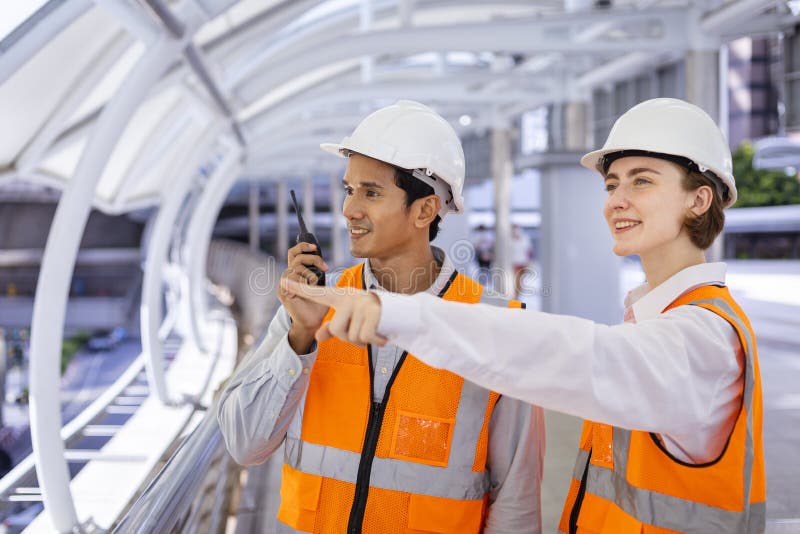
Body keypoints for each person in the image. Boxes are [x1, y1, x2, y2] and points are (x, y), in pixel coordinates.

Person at [283, 98, 766, 534]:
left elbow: (578, 355)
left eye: (642, 181)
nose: (616, 198)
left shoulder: (706, 339)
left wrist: (399, 313)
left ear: (698, 200)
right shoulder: (654, 321)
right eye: (613, 183)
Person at [217, 100, 545, 533]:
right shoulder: (314, 305)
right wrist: (302, 336)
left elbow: (517, 503)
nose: (349, 210)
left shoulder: (498, 329)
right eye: (349, 190)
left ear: (424, 210)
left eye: (371, 193)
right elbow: (245, 444)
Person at [510, 225, 533, 299]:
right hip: (515, 262)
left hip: (524, 262)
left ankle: (518, 294)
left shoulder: (525, 239)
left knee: (521, 280)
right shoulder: (510, 240)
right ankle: (516, 295)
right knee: (517, 279)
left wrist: (530, 261)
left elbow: (529, 251)